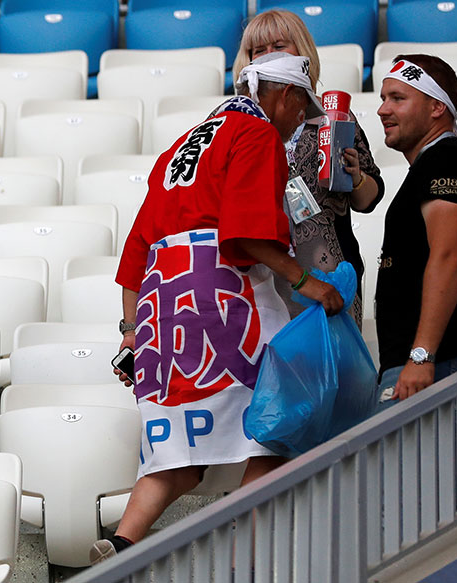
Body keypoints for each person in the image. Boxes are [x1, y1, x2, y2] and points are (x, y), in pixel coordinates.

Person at [91, 53, 344, 564]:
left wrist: (131, 334)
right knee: (281, 419)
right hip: (223, 296)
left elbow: (135, 253)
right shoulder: (256, 134)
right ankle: (241, 547)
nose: (300, 120)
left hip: (163, 300)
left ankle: (121, 542)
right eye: (301, 108)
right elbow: (245, 235)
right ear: (284, 95)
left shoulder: (176, 150)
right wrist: (306, 282)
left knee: (176, 449)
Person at [232, 9, 384, 327]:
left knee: (329, 370)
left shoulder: (332, 116)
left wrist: (355, 177)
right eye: (258, 50)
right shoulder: (236, 124)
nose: (269, 56)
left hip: (328, 274)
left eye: (279, 46)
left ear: (302, 52)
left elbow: (370, 199)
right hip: (259, 277)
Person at [373, 54, 457, 408]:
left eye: (398, 98)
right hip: (433, 366)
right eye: (383, 98)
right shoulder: (436, 163)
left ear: (436, 107)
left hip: (440, 368)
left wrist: (420, 356)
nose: (383, 110)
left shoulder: (446, 161)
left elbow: (450, 257)